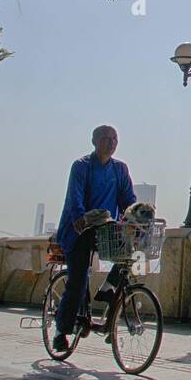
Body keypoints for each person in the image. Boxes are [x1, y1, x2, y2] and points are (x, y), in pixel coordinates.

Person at [52, 124, 137, 352]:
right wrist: (81, 218)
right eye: (106, 138)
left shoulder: (120, 169)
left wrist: (137, 216)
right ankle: (62, 331)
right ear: (94, 141)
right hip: (79, 231)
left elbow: (128, 199)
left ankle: (107, 289)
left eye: (114, 138)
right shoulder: (81, 166)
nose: (111, 142)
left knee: (128, 258)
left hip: (106, 230)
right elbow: (75, 198)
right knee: (78, 280)